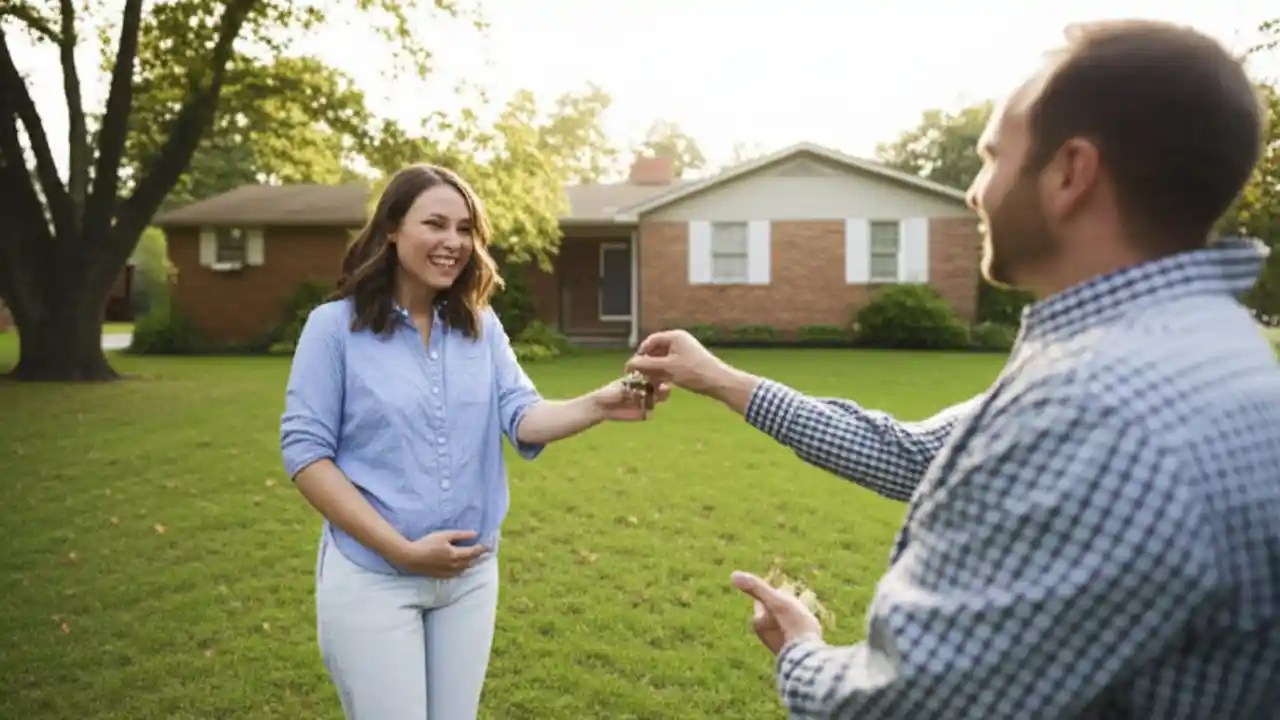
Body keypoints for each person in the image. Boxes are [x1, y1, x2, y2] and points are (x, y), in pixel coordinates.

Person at [627, 19, 1280, 719]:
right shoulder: (1205, 352)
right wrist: (724, 380)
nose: (975, 192)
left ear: (1071, 173)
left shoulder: (1097, 409)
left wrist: (801, 652)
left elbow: (902, 708)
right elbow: (916, 456)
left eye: (992, 156)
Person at [280, 163, 668, 720]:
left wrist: (600, 404)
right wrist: (402, 550)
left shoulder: (479, 327)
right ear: (392, 228)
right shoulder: (333, 329)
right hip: (374, 577)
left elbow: (522, 416)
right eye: (435, 224)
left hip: (468, 577)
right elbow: (306, 453)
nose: (453, 242)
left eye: (465, 229)